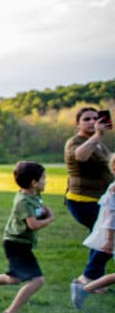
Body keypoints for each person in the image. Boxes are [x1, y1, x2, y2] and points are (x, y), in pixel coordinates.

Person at [0, 161, 55, 313]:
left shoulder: (34, 195)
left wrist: (44, 211)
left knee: (14, 278)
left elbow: (39, 209)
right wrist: (50, 219)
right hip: (16, 244)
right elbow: (33, 225)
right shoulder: (23, 201)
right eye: (43, 178)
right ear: (33, 183)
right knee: (37, 280)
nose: (46, 181)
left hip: (19, 243)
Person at [63, 107, 113, 291]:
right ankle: (87, 278)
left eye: (95, 118)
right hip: (83, 200)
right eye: (87, 119)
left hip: (99, 200)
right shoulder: (75, 142)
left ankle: (94, 280)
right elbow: (80, 156)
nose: (92, 122)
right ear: (78, 124)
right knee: (107, 237)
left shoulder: (98, 143)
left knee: (101, 237)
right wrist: (97, 135)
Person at [73, 155, 115, 309]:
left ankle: (83, 290)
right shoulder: (114, 189)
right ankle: (83, 289)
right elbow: (111, 217)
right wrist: (110, 240)